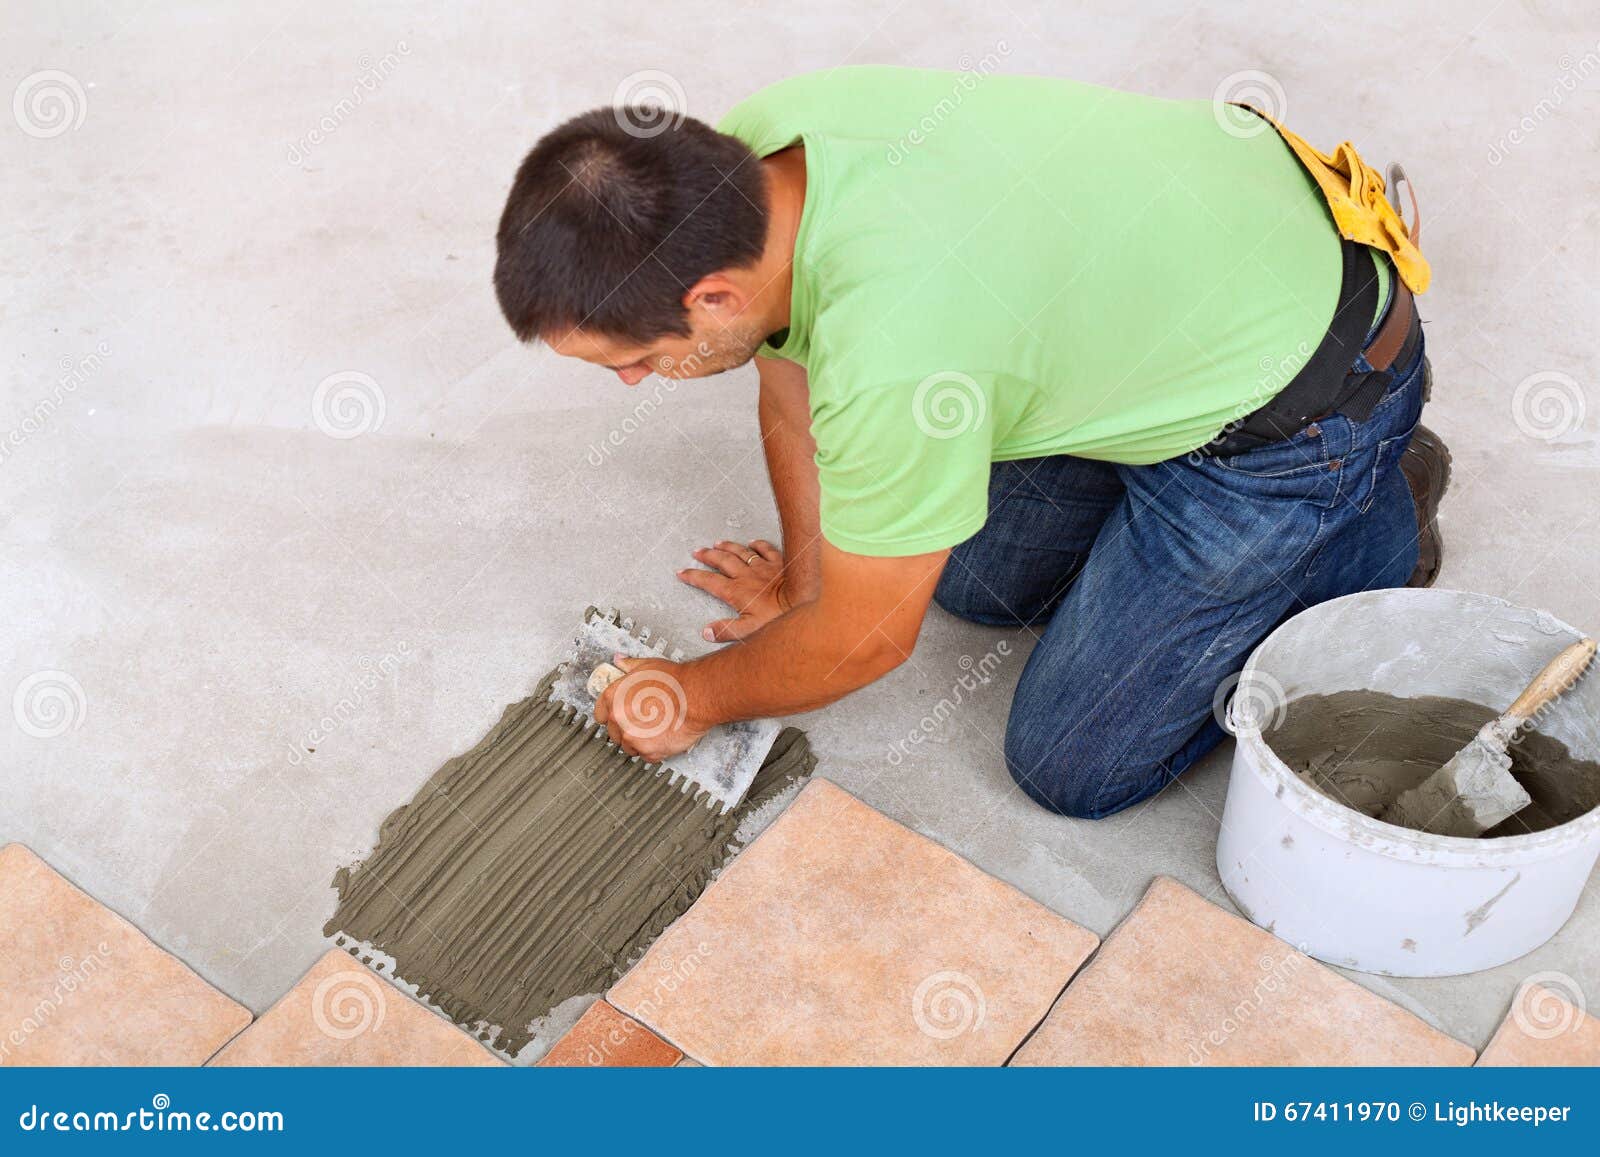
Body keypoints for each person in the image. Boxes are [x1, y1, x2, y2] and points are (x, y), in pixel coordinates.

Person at [492, 66, 1448, 818]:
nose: (630, 384)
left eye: (638, 357)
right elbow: (788, 380)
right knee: (959, 578)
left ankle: (1371, 511)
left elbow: (864, 646)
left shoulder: (895, 357)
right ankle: (1189, 499)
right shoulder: (758, 160)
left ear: (711, 298)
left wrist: (693, 698)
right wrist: (806, 587)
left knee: (1072, 764)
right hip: (1184, 299)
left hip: (1304, 403)